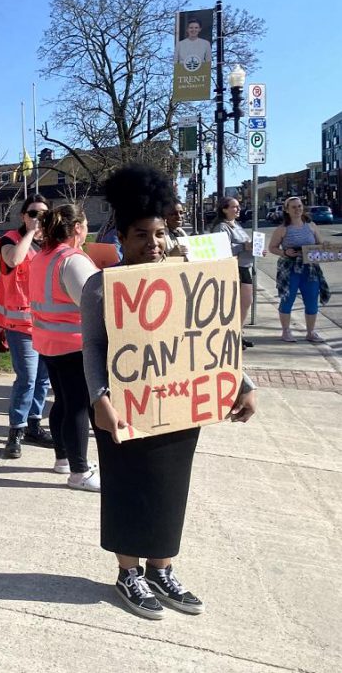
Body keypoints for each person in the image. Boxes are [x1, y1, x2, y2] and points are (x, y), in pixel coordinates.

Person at [82, 164, 257, 620]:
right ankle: (128, 573)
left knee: (169, 486)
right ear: (121, 237)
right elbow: (94, 347)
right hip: (122, 406)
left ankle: (161, 568)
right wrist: (100, 398)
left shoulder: (186, 277)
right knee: (126, 485)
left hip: (180, 403)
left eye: (158, 234)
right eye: (141, 235)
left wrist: (244, 383)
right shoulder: (100, 287)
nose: (153, 244)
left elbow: (210, 337)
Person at [28, 204, 101, 490]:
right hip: (74, 345)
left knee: (62, 402)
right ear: (78, 229)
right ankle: (79, 472)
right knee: (77, 407)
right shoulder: (72, 261)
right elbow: (94, 303)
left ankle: (63, 460)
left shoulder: (42, 257)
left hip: (48, 343)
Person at [0, 195, 54, 459]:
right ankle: (15, 431)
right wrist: (30, 232)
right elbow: (13, 261)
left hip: (48, 324)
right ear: (23, 216)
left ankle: (34, 424)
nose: (38, 219)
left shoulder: (51, 244)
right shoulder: (10, 240)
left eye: (43, 214)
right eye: (33, 213)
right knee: (27, 379)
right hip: (20, 324)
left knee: (42, 380)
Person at [268, 196, 330, 343]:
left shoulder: (311, 225)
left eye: (299, 206)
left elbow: (320, 244)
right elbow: (272, 248)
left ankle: (310, 332)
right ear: (287, 210)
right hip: (290, 268)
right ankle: (286, 331)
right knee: (287, 299)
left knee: (311, 300)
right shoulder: (282, 229)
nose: (297, 209)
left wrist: (325, 245)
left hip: (310, 268)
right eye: (294, 207)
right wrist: (284, 252)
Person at [213, 197, 255, 348]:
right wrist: (244, 247)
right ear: (224, 209)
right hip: (232, 268)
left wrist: (256, 248)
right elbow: (222, 249)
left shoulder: (236, 225)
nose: (238, 209)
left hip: (245, 267)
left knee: (245, 302)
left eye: (238, 207)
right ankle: (231, 336)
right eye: (234, 207)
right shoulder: (221, 227)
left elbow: (246, 244)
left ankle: (238, 332)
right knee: (234, 304)